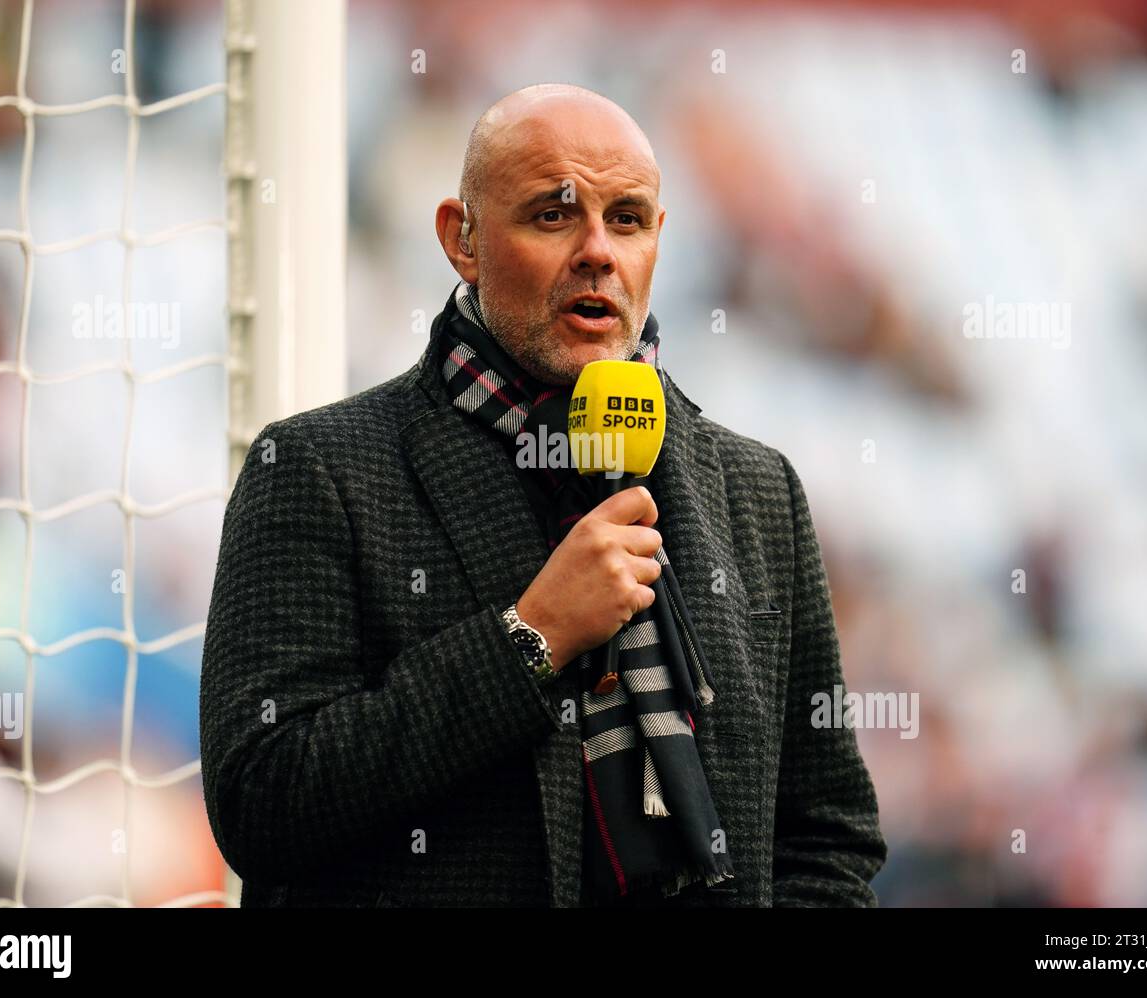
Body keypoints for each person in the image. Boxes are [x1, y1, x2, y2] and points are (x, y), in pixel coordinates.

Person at [199, 83, 886, 908]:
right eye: (554, 216)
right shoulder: (315, 468)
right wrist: (530, 638)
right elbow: (262, 803)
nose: (598, 251)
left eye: (627, 220)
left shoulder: (758, 490)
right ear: (464, 239)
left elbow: (829, 837)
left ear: (658, 242)